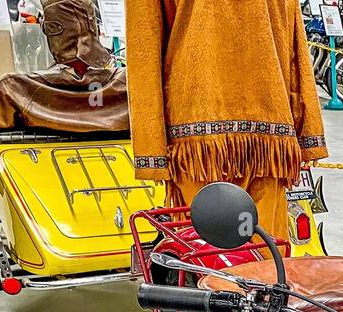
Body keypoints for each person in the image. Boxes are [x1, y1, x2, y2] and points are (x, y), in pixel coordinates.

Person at [128, 0, 328, 240]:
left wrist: (151, 151)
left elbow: (144, 49)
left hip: (200, 145)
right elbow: (295, 46)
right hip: (265, 140)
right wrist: (307, 132)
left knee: (210, 259)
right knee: (263, 256)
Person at [0, 0, 129, 197]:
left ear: (52, 31)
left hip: (43, 182)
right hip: (123, 176)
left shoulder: (15, 88)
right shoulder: (126, 83)